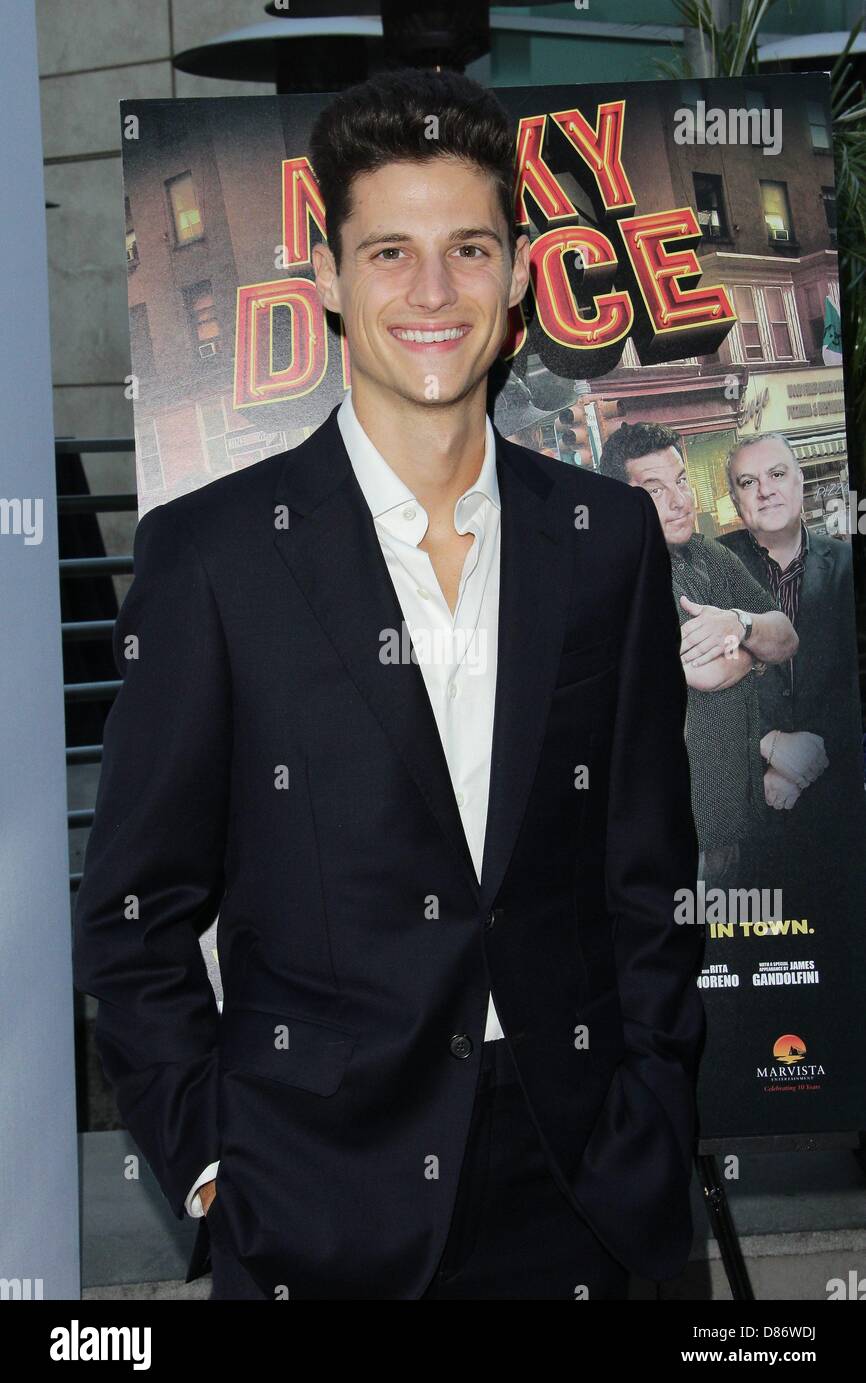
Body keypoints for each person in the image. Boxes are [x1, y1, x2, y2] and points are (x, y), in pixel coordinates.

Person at [73, 68, 706, 1301]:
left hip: (582, 1184)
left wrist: (652, 1109)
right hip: (316, 1197)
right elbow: (131, 915)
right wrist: (213, 1167)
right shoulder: (214, 557)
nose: (430, 293)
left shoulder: (606, 537)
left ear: (519, 274)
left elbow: (646, 867)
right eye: (389, 252)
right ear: (328, 278)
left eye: (467, 248)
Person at [598, 422, 798, 891]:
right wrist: (752, 643)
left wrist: (738, 624)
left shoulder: (705, 555)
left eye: (682, 481)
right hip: (680, 838)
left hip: (743, 816)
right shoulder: (624, 571)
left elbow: (786, 634)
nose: (680, 500)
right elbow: (704, 672)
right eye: (655, 489)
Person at [718, 432, 864, 893]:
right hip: (746, 819)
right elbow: (683, 695)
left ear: (800, 480)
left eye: (777, 474)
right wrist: (768, 745)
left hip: (842, 810)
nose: (766, 490)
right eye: (748, 481)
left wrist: (808, 760)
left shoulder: (848, 565)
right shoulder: (710, 568)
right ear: (736, 500)